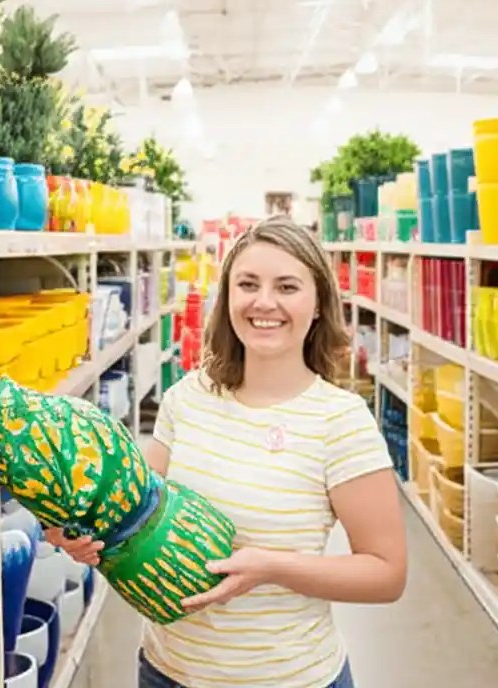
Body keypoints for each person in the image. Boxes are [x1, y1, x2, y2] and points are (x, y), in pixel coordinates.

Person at [47, 215, 408, 688]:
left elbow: (386, 574)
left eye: (287, 287)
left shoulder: (339, 421)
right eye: (248, 284)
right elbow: (135, 509)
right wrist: (78, 532)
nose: (264, 302)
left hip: (288, 679)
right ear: (228, 297)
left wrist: (272, 567)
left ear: (318, 303)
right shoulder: (188, 397)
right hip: (166, 671)